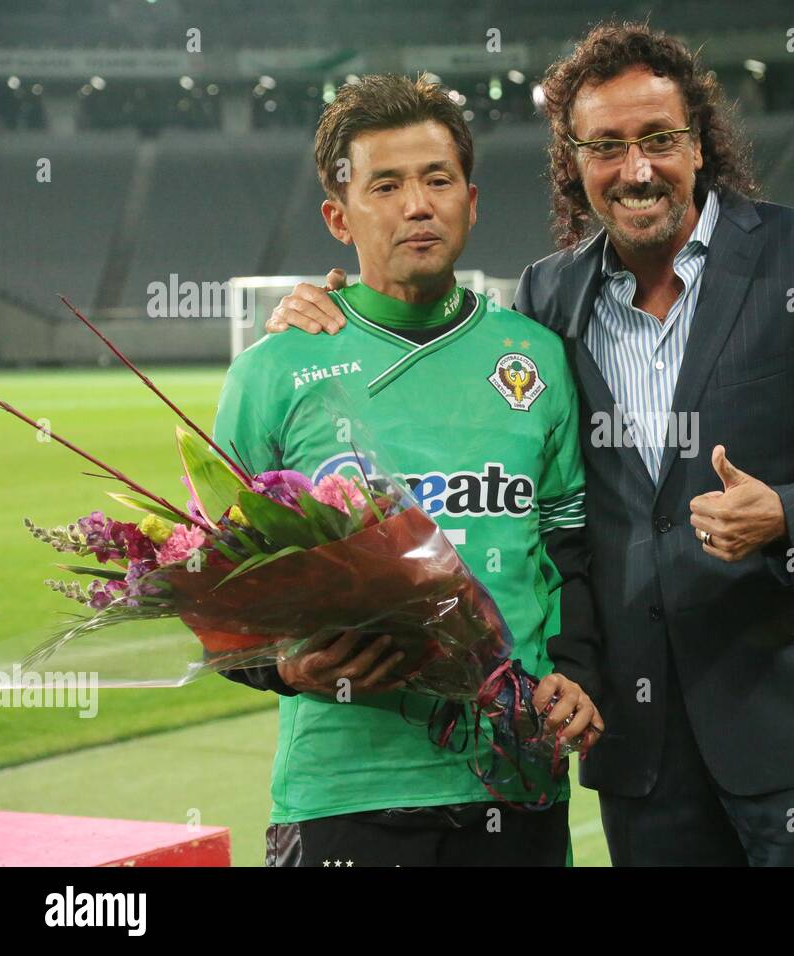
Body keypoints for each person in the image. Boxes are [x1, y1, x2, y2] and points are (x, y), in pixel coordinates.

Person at [267, 22, 794, 866]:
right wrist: (321, 303)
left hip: (790, 714)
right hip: (636, 732)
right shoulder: (551, 293)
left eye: (659, 139)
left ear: (701, 144)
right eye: (606, 146)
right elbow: (556, 508)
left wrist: (788, 513)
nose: (636, 167)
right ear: (574, 161)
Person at [215, 73, 603, 867]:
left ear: (471, 199)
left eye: (437, 180)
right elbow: (219, 586)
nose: (417, 205)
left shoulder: (536, 358)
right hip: (345, 792)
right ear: (339, 215)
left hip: (514, 777)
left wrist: (577, 667)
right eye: (385, 184)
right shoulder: (274, 371)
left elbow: (572, 547)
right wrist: (284, 667)